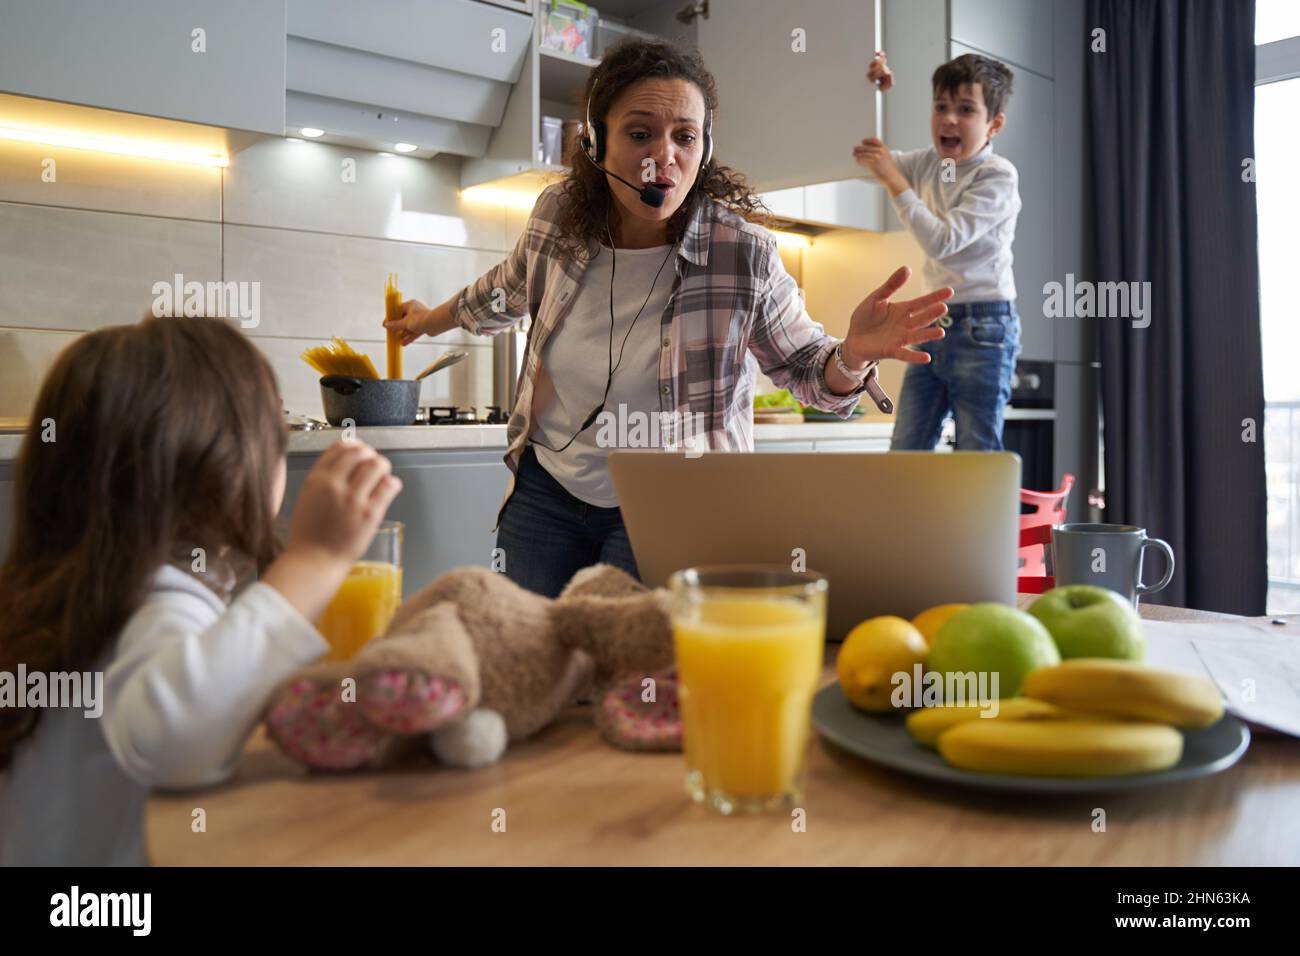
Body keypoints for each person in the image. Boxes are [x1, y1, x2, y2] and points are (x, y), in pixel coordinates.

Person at [386, 39, 952, 598]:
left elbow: (808, 371)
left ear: (705, 149)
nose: (664, 157)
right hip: (546, 492)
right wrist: (426, 321)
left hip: (674, 506)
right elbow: (507, 288)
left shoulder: (742, 251)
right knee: (531, 661)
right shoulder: (558, 217)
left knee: (640, 677)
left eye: (685, 136)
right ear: (594, 142)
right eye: (638, 134)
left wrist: (852, 355)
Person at [0, 316, 402, 865]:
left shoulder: (73, 591)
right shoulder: (151, 604)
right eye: (276, 443)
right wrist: (315, 560)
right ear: (215, 468)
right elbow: (174, 739)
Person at [855, 51, 1022, 452]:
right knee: (906, 452)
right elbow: (866, 159)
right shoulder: (928, 163)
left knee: (976, 455)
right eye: (941, 107)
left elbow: (943, 242)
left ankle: (978, 520)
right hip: (934, 323)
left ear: (994, 124)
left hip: (985, 327)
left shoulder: (996, 175)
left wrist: (896, 181)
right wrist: (872, 93)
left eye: (965, 110)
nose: (949, 119)